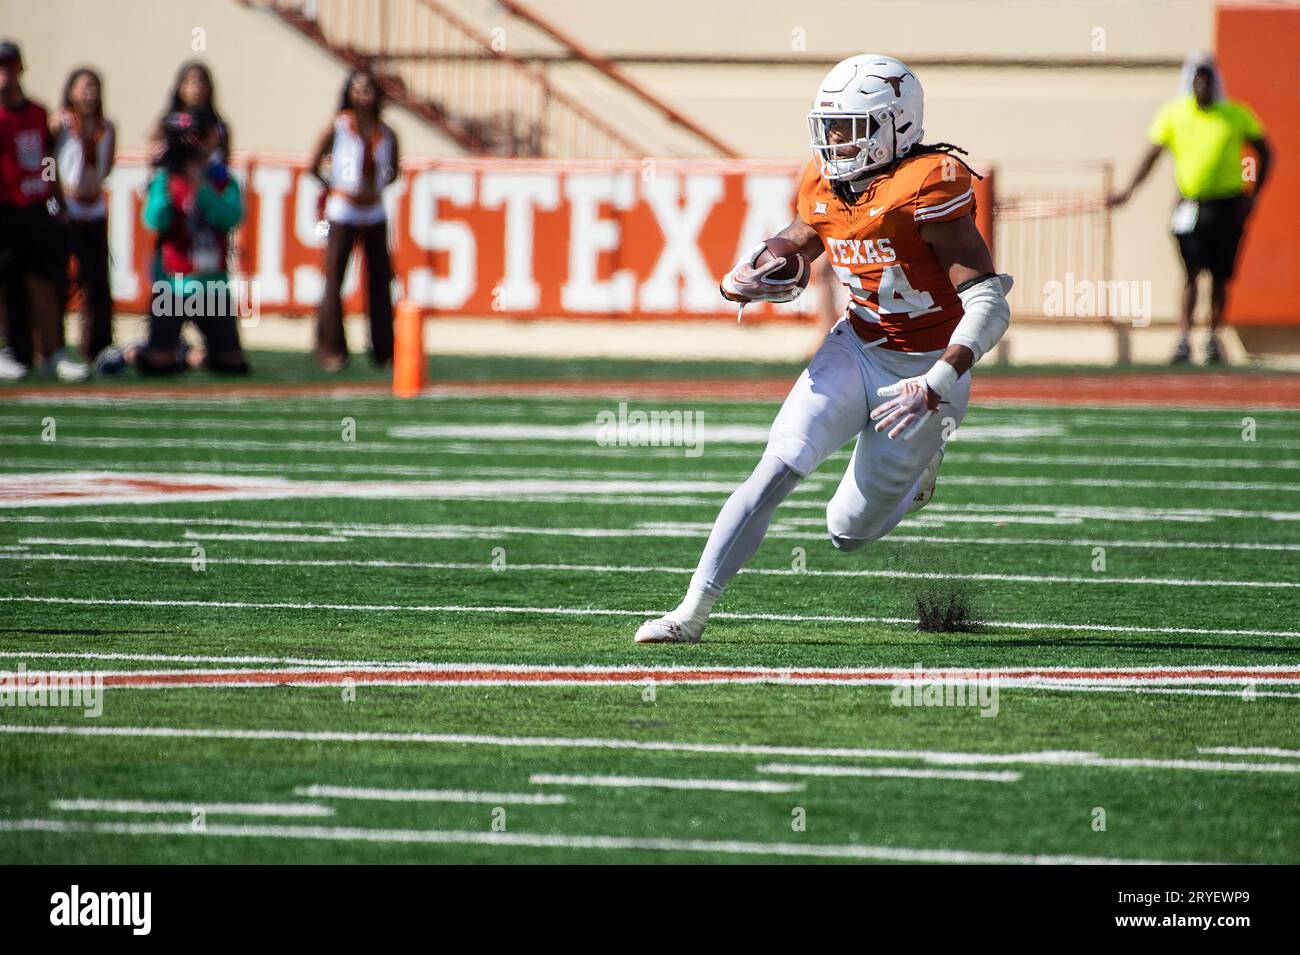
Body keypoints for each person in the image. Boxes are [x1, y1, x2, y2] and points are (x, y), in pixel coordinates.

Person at [634, 55, 1011, 644]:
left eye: (851, 129)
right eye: (830, 128)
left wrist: (937, 382)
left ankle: (918, 479)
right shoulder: (825, 181)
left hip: (924, 371)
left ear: (896, 126)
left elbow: (989, 303)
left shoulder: (928, 186)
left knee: (845, 532)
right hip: (855, 346)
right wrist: (757, 267)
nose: (835, 141)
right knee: (775, 469)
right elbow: (802, 237)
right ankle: (691, 613)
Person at [1110, 50, 1272, 364]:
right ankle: (1184, 338)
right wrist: (1129, 190)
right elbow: (1152, 155)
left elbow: (1265, 152)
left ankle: (1212, 336)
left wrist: (1254, 195)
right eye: (1197, 77)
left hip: (1226, 206)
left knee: (1220, 276)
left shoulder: (1235, 115)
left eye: (1207, 77)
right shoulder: (1175, 115)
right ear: (1190, 81)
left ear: (1215, 81)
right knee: (1190, 272)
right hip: (1190, 205)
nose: (1202, 84)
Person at [136, 106, 248, 375]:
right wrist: (164, 176)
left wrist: (203, 189)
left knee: (232, 366)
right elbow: (155, 220)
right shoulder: (167, 178)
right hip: (172, 285)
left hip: (212, 285)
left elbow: (230, 217)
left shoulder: (222, 180)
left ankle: (192, 356)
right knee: (157, 366)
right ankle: (141, 351)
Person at [0, 39, 88, 382]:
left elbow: (46, 160)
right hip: (4, 210)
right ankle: (5, 351)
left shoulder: (38, 112)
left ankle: (53, 353)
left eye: (9, 65)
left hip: (35, 209)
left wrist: (56, 199)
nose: (4, 73)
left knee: (45, 283)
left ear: (20, 68)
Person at [309, 68, 399, 371]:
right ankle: (331, 348)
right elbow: (313, 165)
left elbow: (393, 171)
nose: (364, 95)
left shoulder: (385, 132)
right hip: (342, 210)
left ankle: (384, 350)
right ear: (348, 92)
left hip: (373, 210)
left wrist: (373, 190)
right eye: (358, 88)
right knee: (334, 277)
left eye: (369, 89)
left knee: (379, 280)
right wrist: (332, 186)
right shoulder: (338, 127)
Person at [53, 66, 116, 364]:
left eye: (94, 87)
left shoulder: (106, 126)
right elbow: (47, 159)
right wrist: (56, 199)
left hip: (95, 209)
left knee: (97, 283)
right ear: (71, 90)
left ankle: (97, 347)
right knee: (58, 279)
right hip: (67, 209)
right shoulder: (62, 123)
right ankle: (51, 343)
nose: (89, 93)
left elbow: (107, 167)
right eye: (84, 86)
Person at [150, 61, 231, 166]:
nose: (196, 88)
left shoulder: (217, 127)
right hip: (173, 178)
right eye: (190, 81)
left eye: (202, 82)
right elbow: (153, 157)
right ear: (180, 87)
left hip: (209, 179)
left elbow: (224, 161)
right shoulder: (168, 123)